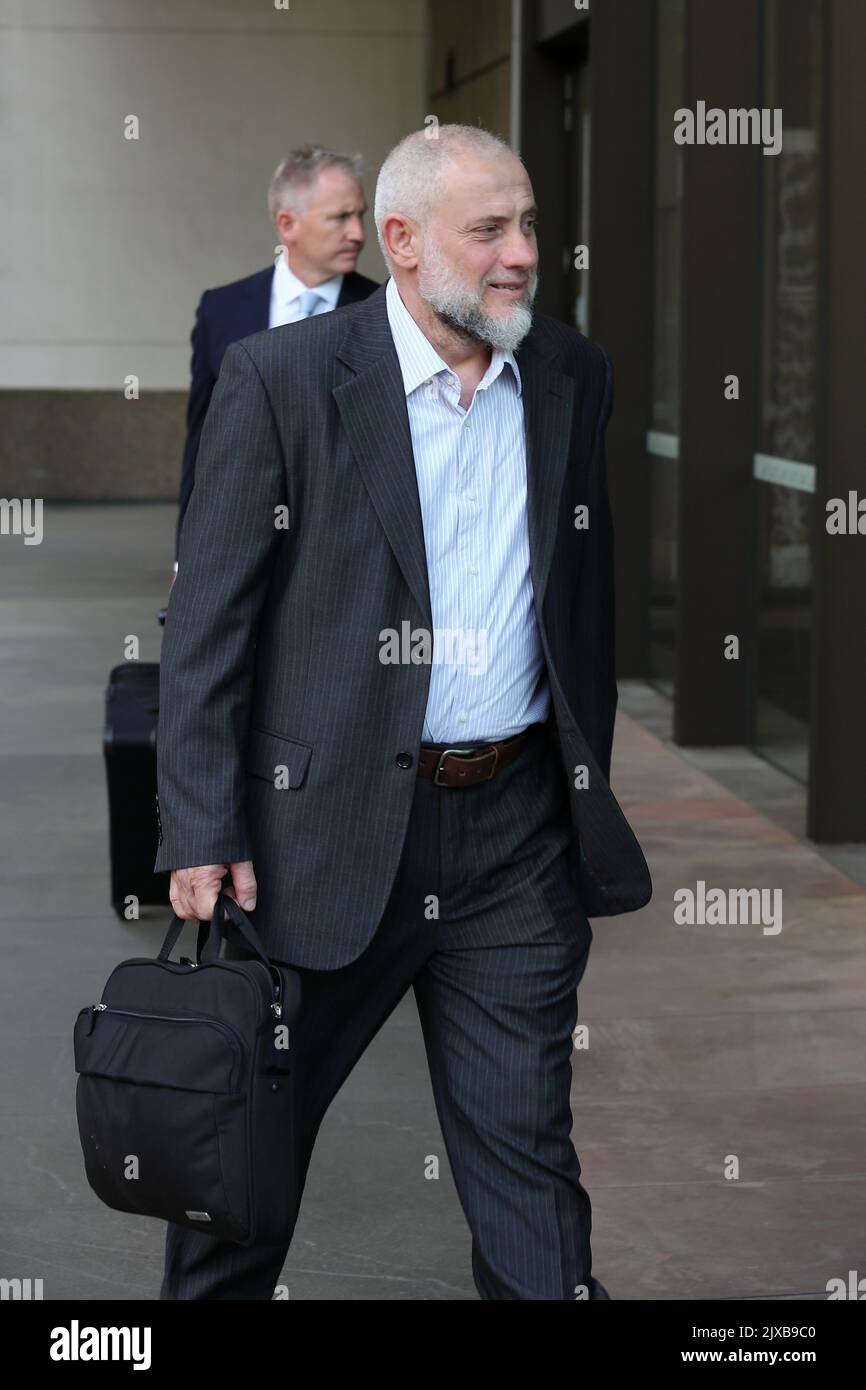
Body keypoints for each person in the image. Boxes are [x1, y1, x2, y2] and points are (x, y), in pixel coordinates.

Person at [154, 123, 652, 1300]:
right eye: (489, 230)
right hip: (310, 841)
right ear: (402, 243)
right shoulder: (280, 381)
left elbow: (579, 607)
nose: (522, 253)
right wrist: (200, 821)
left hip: (511, 840)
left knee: (528, 1165)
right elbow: (210, 623)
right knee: (243, 1171)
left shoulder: (570, 378)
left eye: (528, 224)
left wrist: (576, 780)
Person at [173, 144, 378, 562]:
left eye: (359, 215)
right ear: (289, 225)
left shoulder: (385, 310)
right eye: (340, 217)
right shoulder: (222, 309)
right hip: (242, 539)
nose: (357, 232)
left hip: (346, 547)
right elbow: (202, 443)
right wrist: (185, 555)